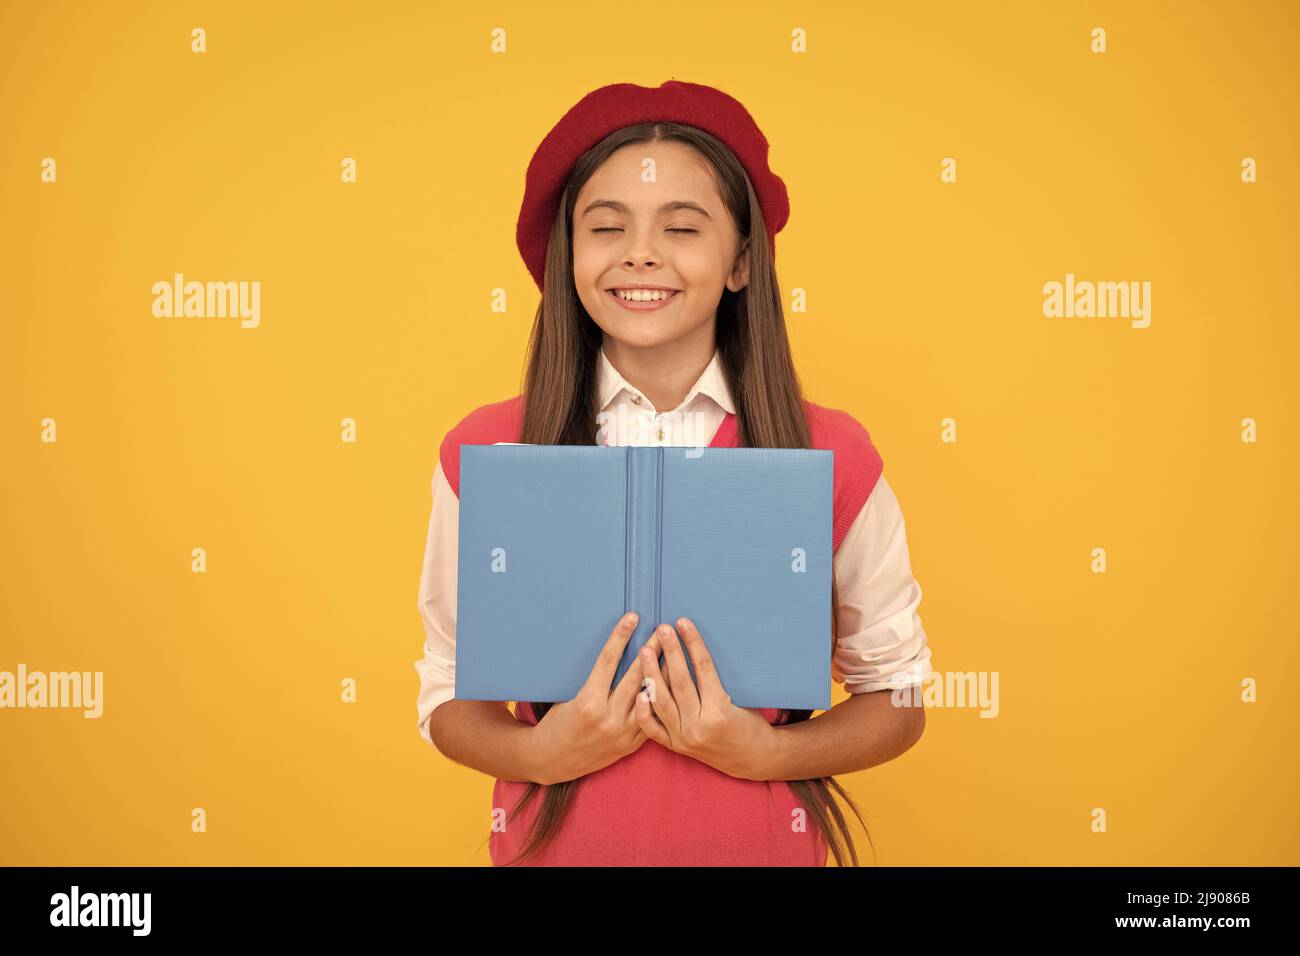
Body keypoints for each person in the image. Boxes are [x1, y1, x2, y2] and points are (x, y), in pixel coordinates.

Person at [416, 80, 933, 866]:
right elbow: (448, 691)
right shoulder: (485, 451)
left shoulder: (831, 453)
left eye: (682, 227)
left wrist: (769, 754)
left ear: (742, 260)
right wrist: (539, 754)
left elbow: (898, 695)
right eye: (606, 227)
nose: (640, 253)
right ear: (568, 255)